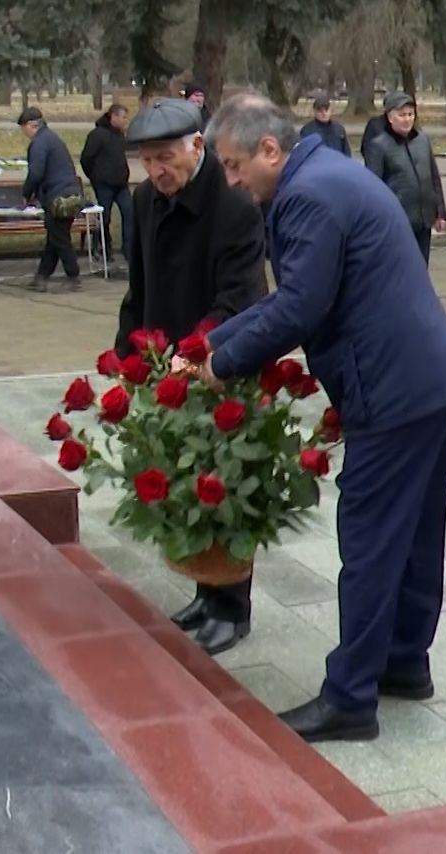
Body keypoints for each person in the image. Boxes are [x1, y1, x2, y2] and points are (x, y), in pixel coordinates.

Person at [199, 93, 446, 744]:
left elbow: (299, 307)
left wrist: (222, 363)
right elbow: (297, 297)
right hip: (430, 377)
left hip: (391, 388)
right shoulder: (326, 173)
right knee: (414, 533)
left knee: (371, 538)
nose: (232, 182)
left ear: (270, 150)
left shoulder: (306, 197)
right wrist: (213, 342)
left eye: (235, 166)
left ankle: (350, 697)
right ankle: (404, 662)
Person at [114, 98, 268, 655]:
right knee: (186, 480)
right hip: (168, 364)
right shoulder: (144, 201)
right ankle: (207, 592)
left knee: (226, 482)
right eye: (146, 160)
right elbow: (139, 287)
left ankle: (233, 605)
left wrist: (198, 355)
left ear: (197, 147)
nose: (156, 171)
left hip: (219, 361)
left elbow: (241, 298)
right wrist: (127, 354)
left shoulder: (234, 204)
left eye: (165, 158)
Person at [361, 91, 446, 263]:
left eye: (410, 114)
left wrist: (440, 212)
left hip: (424, 219)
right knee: (401, 266)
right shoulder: (379, 146)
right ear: (390, 118)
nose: (407, 119)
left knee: (421, 266)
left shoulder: (422, 140)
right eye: (402, 115)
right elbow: (373, 189)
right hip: (398, 222)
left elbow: (433, 177)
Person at [18, 106, 85, 292]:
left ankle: (73, 275)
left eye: (23, 128)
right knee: (55, 237)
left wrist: (26, 193)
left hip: (57, 197)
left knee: (60, 238)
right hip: (71, 193)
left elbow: (36, 173)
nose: (24, 133)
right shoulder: (52, 138)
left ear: (31, 125)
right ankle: (42, 277)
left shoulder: (39, 143)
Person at [81, 104, 135, 269]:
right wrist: (95, 176)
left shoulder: (120, 135)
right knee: (104, 217)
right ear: (114, 117)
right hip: (104, 184)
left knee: (129, 213)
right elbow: (86, 158)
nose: (125, 121)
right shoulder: (97, 135)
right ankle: (104, 248)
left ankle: (129, 249)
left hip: (121, 184)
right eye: (123, 117)